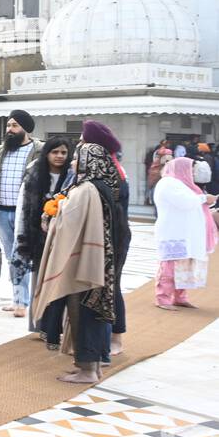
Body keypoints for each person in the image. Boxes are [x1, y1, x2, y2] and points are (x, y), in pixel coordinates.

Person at [32, 143, 130, 383]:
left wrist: (52, 213)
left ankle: (87, 370)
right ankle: (92, 367)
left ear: (89, 162)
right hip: (98, 263)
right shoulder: (104, 185)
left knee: (83, 314)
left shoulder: (86, 189)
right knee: (92, 314)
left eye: (78, 158)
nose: (73, 162)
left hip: (83, 266)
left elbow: (68, 221)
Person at [0, 109, 43, 318]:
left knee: (21, 256)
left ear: (26, 128)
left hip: (26, 214)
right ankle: (18, 299)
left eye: (15, 125)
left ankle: (23, 302)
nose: (10, 129)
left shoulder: (39, 150)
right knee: (11, 257)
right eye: (8, 125)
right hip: (2, 212)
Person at [13, 137, 71, 350]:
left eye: (63, 152)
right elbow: (24, 209)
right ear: (46, 153)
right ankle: (40, 324)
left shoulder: (72, 176)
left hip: (63, 238)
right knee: (40, 281)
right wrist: (22, 238)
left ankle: (56, 327)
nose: (59, 156)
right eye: (55, 152)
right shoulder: (34, 174)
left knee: (59, 283)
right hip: (38, 238)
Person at [81, 121, 131, 355]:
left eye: (84, 139)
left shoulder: (113, 174)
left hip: (113, 236)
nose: (80, 143)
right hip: (100, 235)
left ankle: (116, 338)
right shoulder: (101, 169)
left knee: (112, 285)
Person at [153, 156, 218, 309]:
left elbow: (193, 202)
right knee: (169, 267)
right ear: (182, 169)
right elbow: (185, 202)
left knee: (184, 267)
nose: (193, 173)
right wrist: (204, 198)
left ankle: (180, 297)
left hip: (184, 232)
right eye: (191, 169)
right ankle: (163, 298)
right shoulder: (168, 183)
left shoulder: (182, 184)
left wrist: (206, 199)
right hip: (172, 233)